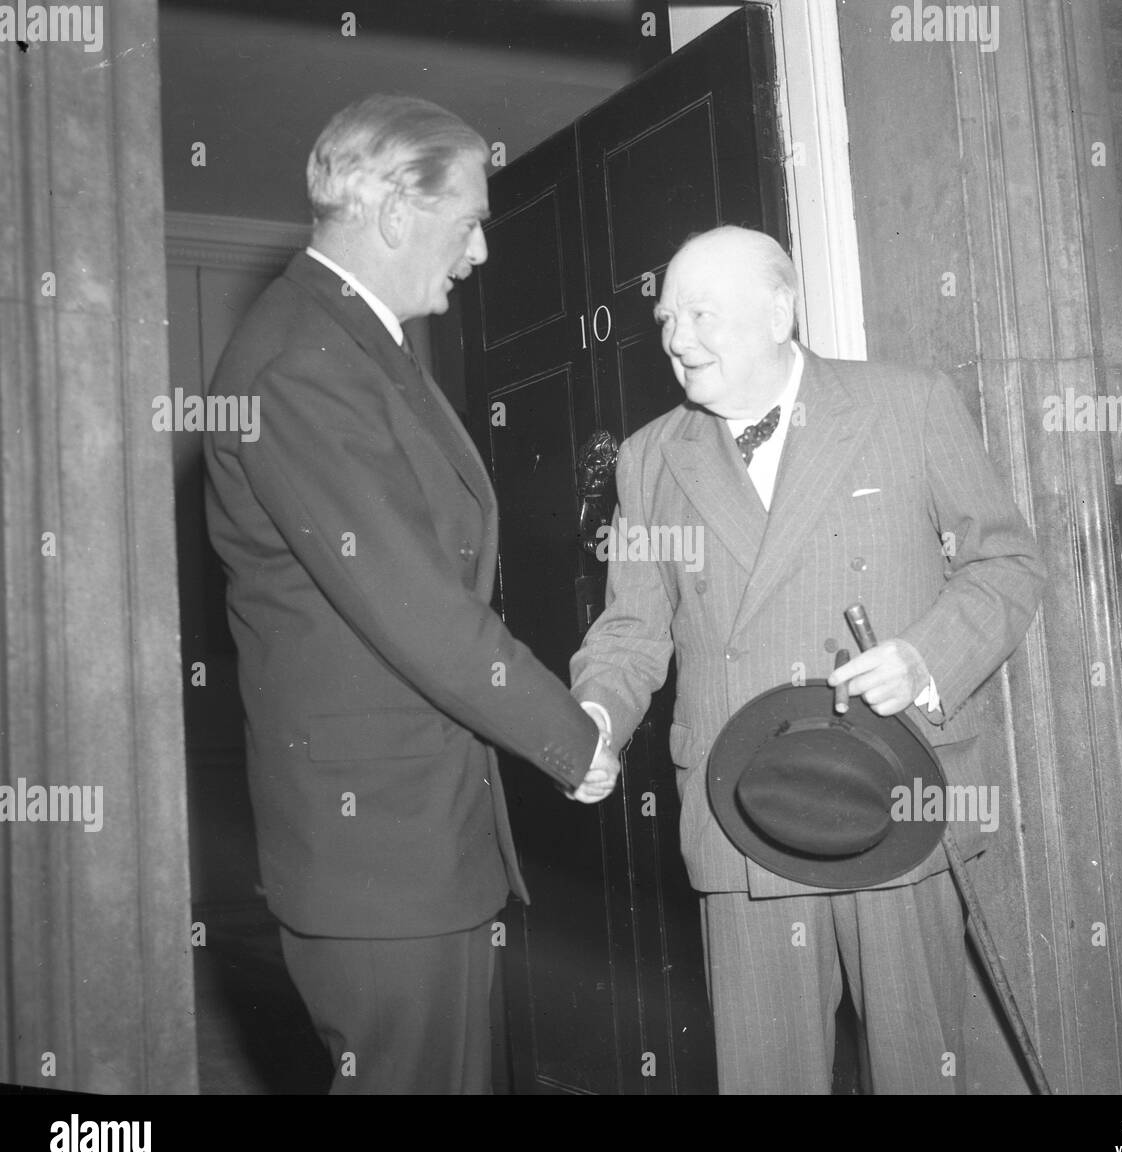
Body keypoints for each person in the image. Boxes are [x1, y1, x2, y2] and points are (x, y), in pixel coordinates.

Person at [203, 94, 618, 1095]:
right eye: (469, 219)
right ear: (396, 211)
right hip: (380, 857)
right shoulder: (303, 359)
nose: (477, 253)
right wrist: (570, 736)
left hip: (405, 844)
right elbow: (414, 604)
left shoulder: (347, 340)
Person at [571, 225, 1046, 1094]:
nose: (677, 338)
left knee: (919, 1073)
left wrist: (925, 657)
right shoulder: (649, 460)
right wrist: (595, 715)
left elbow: (1007, 562)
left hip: (890, 789)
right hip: (742, 806)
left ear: (781, 308)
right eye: (668, 318)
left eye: (702, 312)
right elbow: (632, 630)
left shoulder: (906, 404)